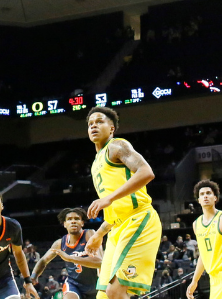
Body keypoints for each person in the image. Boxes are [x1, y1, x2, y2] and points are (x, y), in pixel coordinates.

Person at [83, 106, 163, 299]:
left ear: (111, 128)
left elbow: (146, 172)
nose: (94, 126)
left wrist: (108, 198)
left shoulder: (117, 146)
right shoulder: (96, 163)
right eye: (90, 123)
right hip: (117, 228)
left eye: (100, 121)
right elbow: (117, 209)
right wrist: (99, 234)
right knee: (103, 296)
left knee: (116, 291)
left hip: (138, 219)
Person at [186, 181, 222, 299]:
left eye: (208, 193)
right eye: (202, 194)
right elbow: (203, 255)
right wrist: (194, 281)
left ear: (215, 198)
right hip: (214, 278)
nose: (205, 196)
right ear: (198, 200)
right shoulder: (196, 224)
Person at [31, 208, 101, 299]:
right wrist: (34, 276)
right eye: (69, 219)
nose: (73, 221)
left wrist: (70, 258)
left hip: (96, 283)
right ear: (64, 224)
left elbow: (100, 262)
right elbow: (44, 260)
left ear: (82, 223)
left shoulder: (89, 234)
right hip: (74, 284)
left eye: (77, 219)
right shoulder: (60, 243)